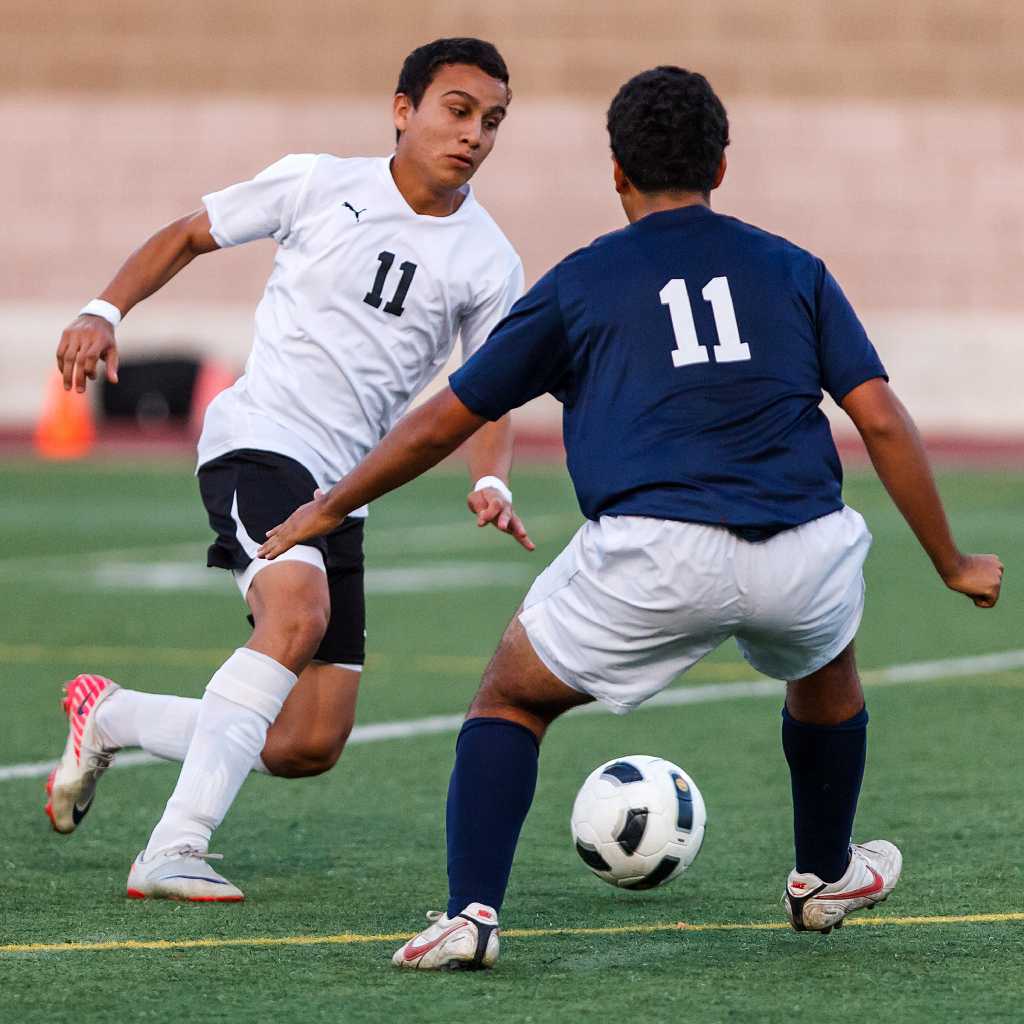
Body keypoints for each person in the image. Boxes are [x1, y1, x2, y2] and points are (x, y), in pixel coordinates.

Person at [259, 65, 1004, 968]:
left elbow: (446, 418)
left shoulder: (581, 283)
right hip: (804, 546)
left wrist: (330, 504)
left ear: (616, 171)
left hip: (656, 555)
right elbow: (880, 417)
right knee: (824, 662)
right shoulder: (793, 267)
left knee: (509, 698)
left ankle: (471, 915)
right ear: (722, 166)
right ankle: (822, 874)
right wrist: (952, 561)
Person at [47, 37, 533, 902]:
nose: (474, 135)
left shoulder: (490, 260)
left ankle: (112, 716)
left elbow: (486, 393)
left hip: (347, 492)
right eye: (457, 111)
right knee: (296, 612)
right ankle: (173, 847)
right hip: (260, 439)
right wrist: (101, 308)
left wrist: (489, 478)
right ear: (403, 109)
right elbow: (190, 233)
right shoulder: (318, 182)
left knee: (307, 742)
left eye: (491, 121)